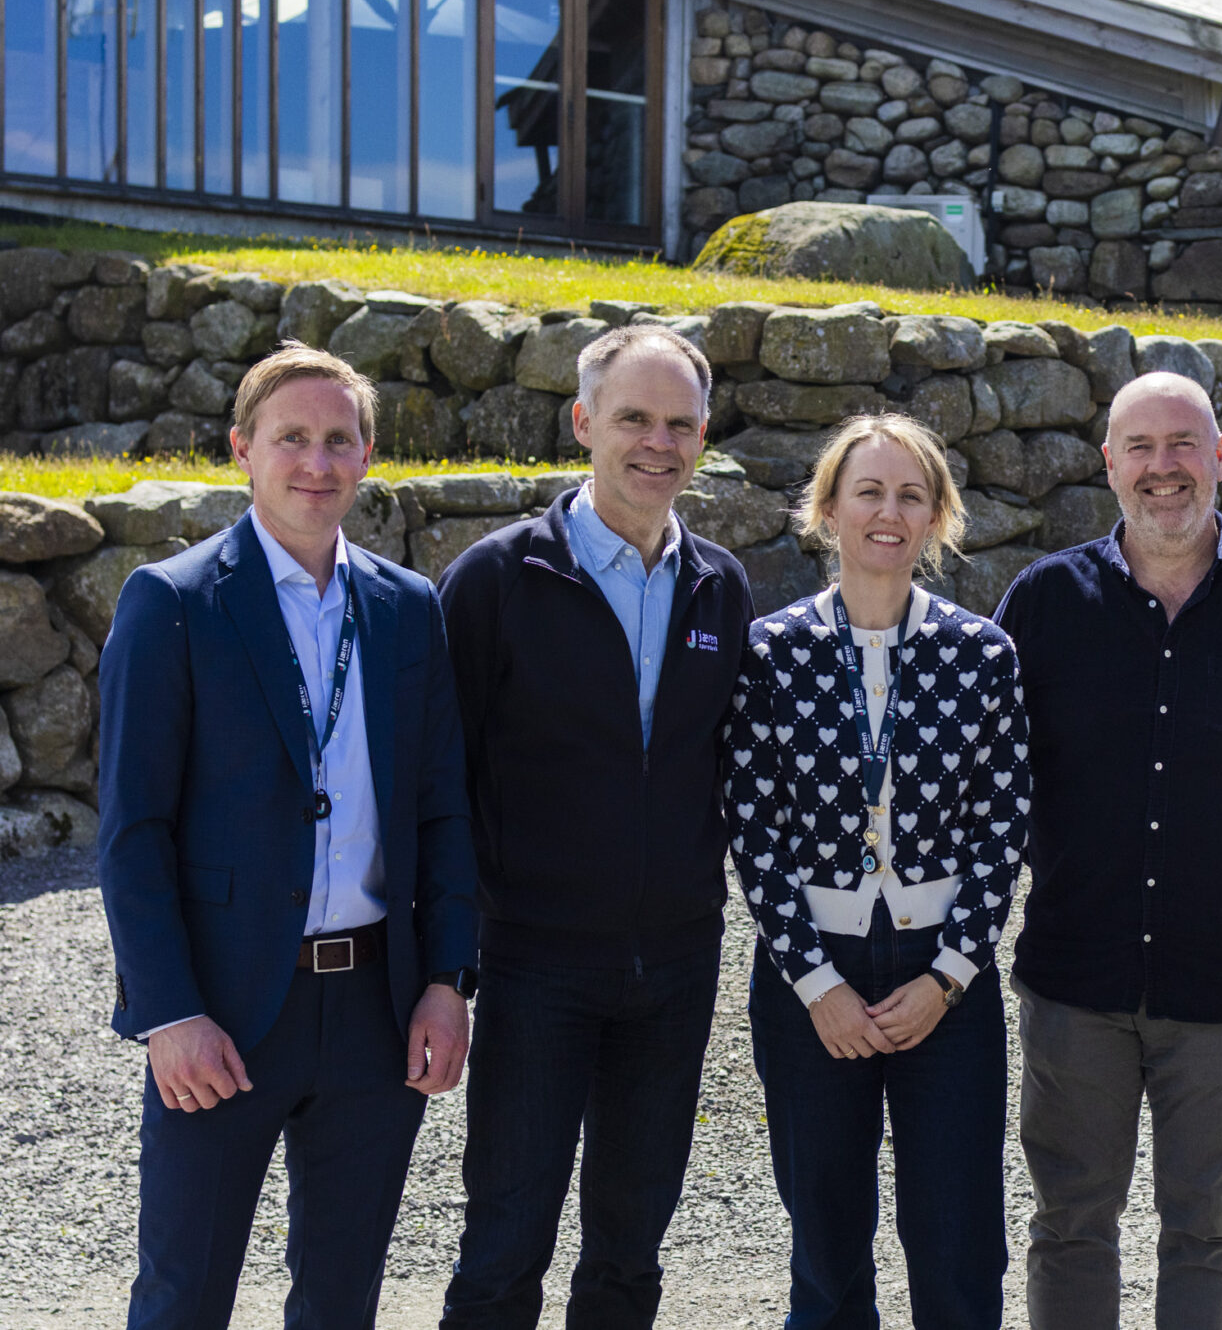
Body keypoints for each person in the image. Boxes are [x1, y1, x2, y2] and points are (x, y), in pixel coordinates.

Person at [98, 344, 478, 1329]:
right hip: (222, 1013)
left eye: (338, 440)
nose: (317, 462)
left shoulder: (404, 609)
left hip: (375, 1009)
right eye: (292, 438)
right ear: (242, 450)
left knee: (341, 1298)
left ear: (367, 455)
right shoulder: (173, 603)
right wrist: (167, 1012)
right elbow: (132, 834)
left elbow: (442, 811)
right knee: (183, 1294)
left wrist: (446, 979)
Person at [993, 372, 1222, 1330]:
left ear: (1221, 458)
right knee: (1070, 1224)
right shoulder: (1041, 603)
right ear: (1108, 464)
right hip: (1075, 981)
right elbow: (989, 781)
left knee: (1208, 1229)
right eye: (1141, 447)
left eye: (1184, 444)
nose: (1164, 468)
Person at [436, 325, 754, 1328]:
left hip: (672, 967)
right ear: (583, 423)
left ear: (701, 438)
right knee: (502, 1248)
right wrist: (448, 968)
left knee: (629, 1256)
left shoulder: (721, 586)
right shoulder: (494, 581)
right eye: (633, 419)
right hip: (536, 965)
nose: (656, 443)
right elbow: (440, 790)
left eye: (678, 423)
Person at [724, 413, 1029, 1329]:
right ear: (826, 509)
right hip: (811, 983)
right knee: (824, 1248)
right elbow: (754, 828)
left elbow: (1001, 826)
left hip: (946, 980)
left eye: (910, 495)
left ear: (938, 517)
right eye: (868, 491)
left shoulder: (981, 654)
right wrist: (816, 985)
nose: (887, 513)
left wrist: (950, 976)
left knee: (959, 1245)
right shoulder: (771, 652)